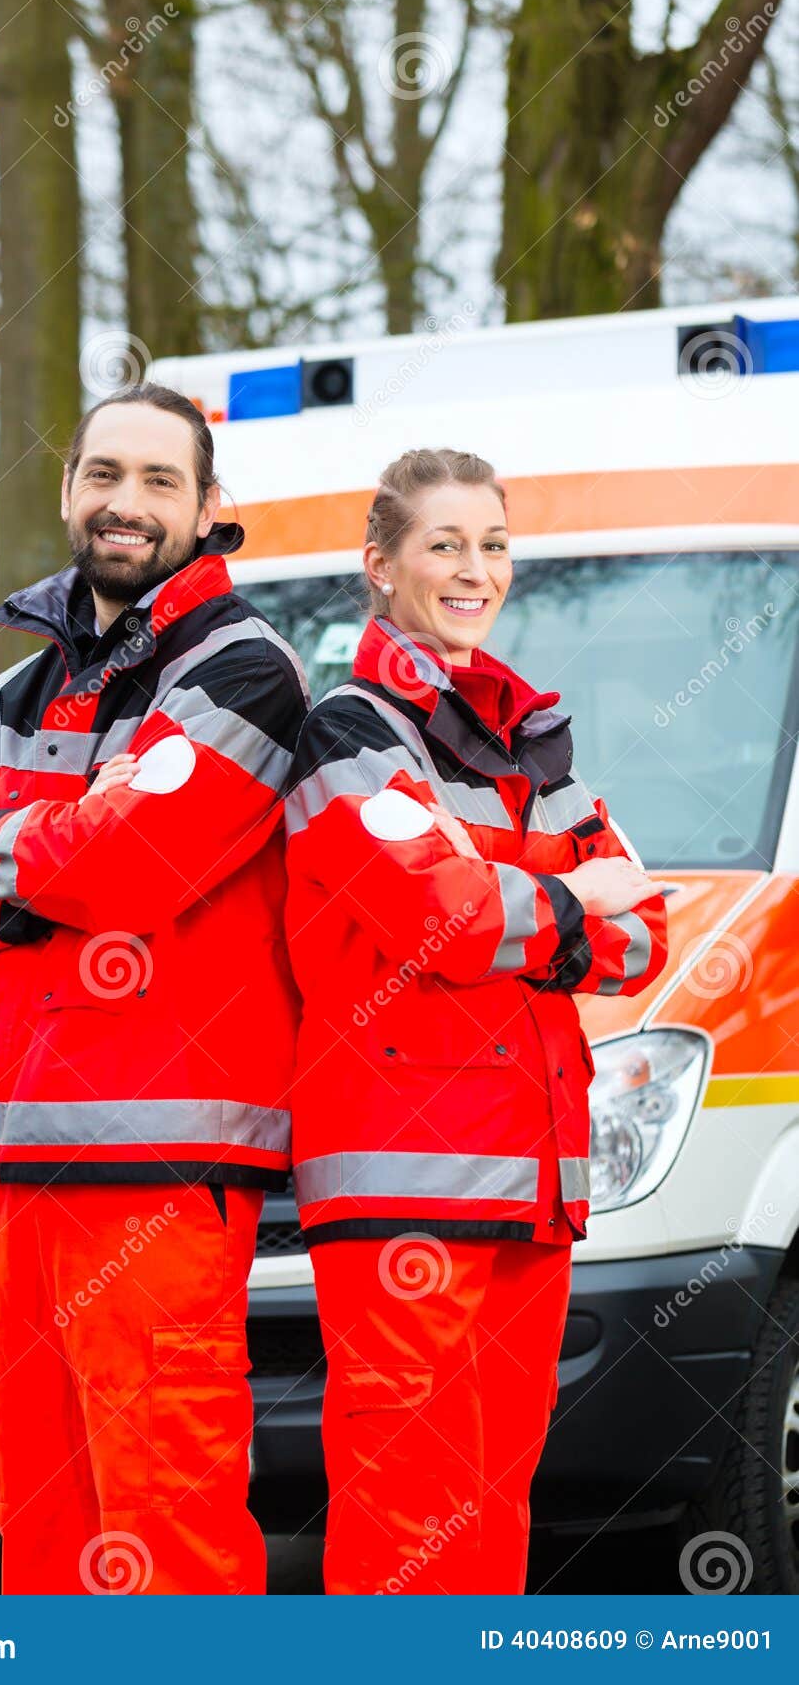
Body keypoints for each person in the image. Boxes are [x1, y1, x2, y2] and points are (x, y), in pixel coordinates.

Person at [0, 384, 310, 1595]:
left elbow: (133, 860)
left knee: (164, 1525)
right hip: (6, 1173)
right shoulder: (18, 692)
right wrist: (48, 867)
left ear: (209, 508)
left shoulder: (242, 670)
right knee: (39, 1524)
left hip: (158, 1178)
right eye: (103, 474)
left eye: (159, 481)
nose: (125, 504)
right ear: (71, 490)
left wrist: (2, 853)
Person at [283, 446, 668, 1595]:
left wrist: (502, 885)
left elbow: (644, 932)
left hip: (529, 1181)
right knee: (408, 1514)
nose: (472, 569)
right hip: (402, 1182)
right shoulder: (346, 731)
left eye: (491, 543)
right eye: (442, 544)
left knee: (492, 1512)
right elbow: (442, 925)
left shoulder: (523, 737)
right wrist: (561, 888)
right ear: (379, 564)